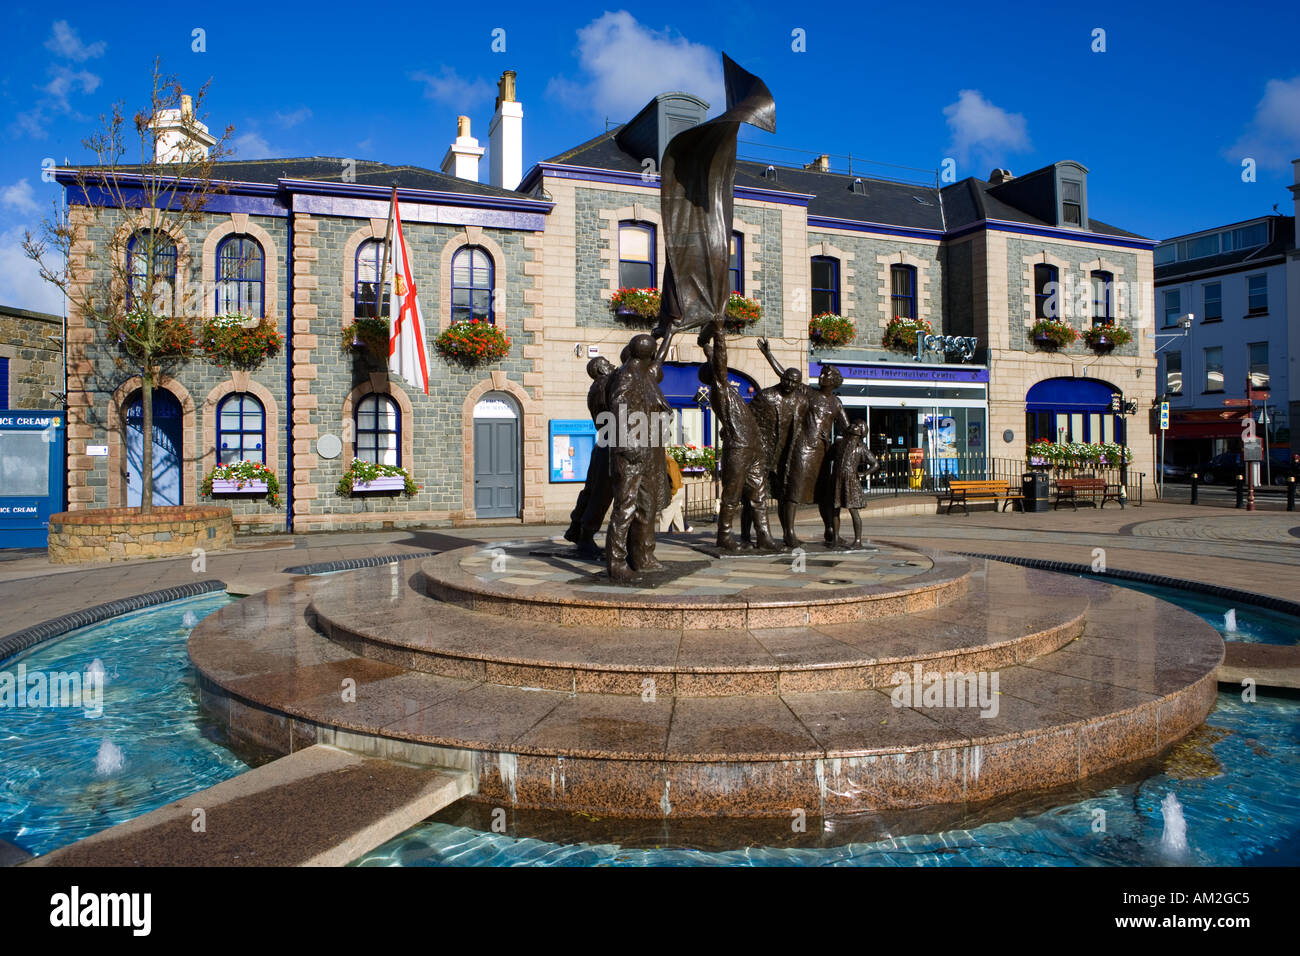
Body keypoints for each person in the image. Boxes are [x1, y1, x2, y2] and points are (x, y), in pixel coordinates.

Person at [756, 339, 850, 547]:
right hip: (803, 449)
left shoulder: (836, 403)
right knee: (793, 490)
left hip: (823, 453)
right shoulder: (810, 393)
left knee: (825, 494)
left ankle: (831, 531)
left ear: (835, 382)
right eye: (823, 373)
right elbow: (786, 376)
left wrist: (857, 436)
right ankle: (789, 533)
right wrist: (768, 355)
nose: (822, 376)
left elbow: (846, 428)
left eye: (827, 374)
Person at [699, 320, 778, 550]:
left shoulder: (725, 389)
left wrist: (705, 345)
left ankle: (764, 535)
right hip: (738, 447)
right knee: (732, 494)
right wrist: (719, 333)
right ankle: (724, 536)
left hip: (752, 447)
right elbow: (720, 360)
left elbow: (715, 358)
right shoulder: (720, 388)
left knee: (759, 495)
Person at [605, 330, 676, 580]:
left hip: (648, 452)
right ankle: (616, 562)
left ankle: (643, 556)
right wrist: (628, 445)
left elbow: (661, 360)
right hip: (631, 454)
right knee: (625, 508)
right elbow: (617, 409)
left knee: (646, 506)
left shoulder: (646, 375)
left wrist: (670, 333)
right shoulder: (625, 376)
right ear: (649, 354)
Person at [563, 356, 615, 557]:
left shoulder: (594, 388)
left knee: (591, 490)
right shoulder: (606, 385)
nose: (612, 365)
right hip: (610, 443)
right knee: (601, 494)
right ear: (601, 369)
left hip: (602, 442)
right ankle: (586, 536)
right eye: (607, 363)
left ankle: (575, 529)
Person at [828, 421, 878, 549]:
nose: (853, 426)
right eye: (854, 424)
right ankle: (835, 538)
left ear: (861, 432)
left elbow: (875, 464)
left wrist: (863, 474)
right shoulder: (839, 443)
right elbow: (828, 456)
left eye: (858, 425)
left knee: (853, 511)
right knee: (834, 509)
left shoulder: (861, 446)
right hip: (837, 479)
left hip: (851, 481)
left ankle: (857, 541)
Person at [659, 454, 693, 533]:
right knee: (676, 516)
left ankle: (662, 535)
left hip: (674, 491)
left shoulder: (669, 462)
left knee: (665, 515)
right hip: (676, 490)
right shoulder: (666, 461)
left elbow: (675, 481)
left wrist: (672, 493)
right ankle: (681, 534)